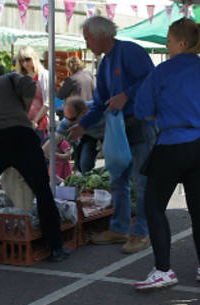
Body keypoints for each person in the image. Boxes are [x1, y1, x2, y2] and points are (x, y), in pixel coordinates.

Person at [132, 18, 200, 291]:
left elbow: (142, 109)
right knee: (199, 209)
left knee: (153, 206)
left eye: (169, 40)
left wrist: (161, 114)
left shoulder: (163, 71)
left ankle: (163, 269)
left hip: (171, 145)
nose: (167, 44)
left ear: (181, 43)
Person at [0, 62, 71, 266]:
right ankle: (56, 247)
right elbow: (29, 84)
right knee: (42, 190)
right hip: (22, 136)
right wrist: (24, 107)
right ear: (1, 74)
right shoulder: (10, 79)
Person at [68, 15, 157, 255]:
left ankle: (141, 232)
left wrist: (127, 95)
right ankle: (119, 228)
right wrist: (82, 125)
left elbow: (152, 79)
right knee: (118, 179)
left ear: (100, 35)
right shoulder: (106, 63)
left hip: (140, 124)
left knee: (141, 181)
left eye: (87, 38)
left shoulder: (129, 52)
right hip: (119, 127)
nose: (86, 44)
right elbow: (99, 103)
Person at [16, 45, 51, 141]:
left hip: (40, 124)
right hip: (23, 123)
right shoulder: (20, 77)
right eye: (21, 60)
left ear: (34, 58)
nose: (25, 63)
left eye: (27, 59)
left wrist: (35, 120)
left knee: (41, 153)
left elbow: (48, 101)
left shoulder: (43, 75)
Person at [55, 96, 89, 175]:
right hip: (84, 140)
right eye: (66, 118)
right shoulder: (66, 122)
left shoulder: (98, 111)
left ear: (84, 112)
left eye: (72, 119)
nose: (69, 122)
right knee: (84, 163)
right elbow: (53, 140)